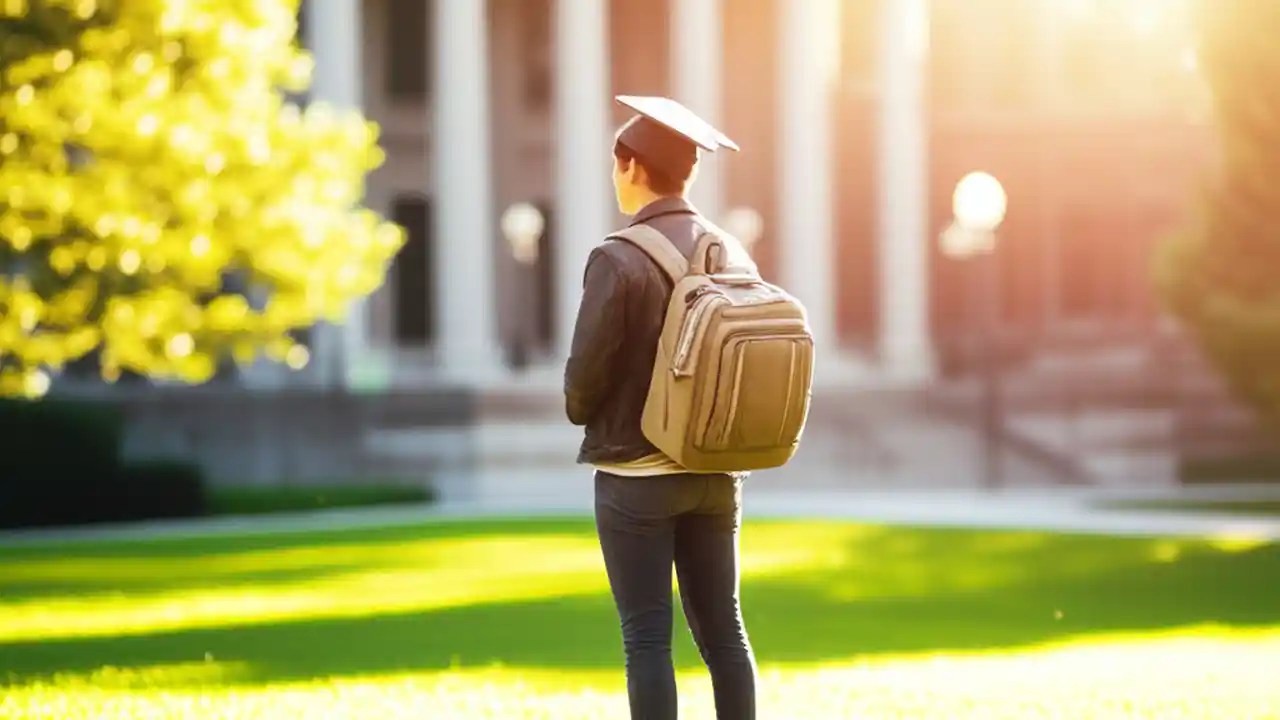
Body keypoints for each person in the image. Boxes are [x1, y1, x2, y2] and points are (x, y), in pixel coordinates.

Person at [564, 95, 756, 720]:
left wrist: (582, 404)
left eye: (614, 164)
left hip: (636, 476)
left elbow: (583, 382)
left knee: (647, 638)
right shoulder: (731, 253)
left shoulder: (618, 257)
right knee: (725, 635)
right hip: (715, 472)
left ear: (631, 166)